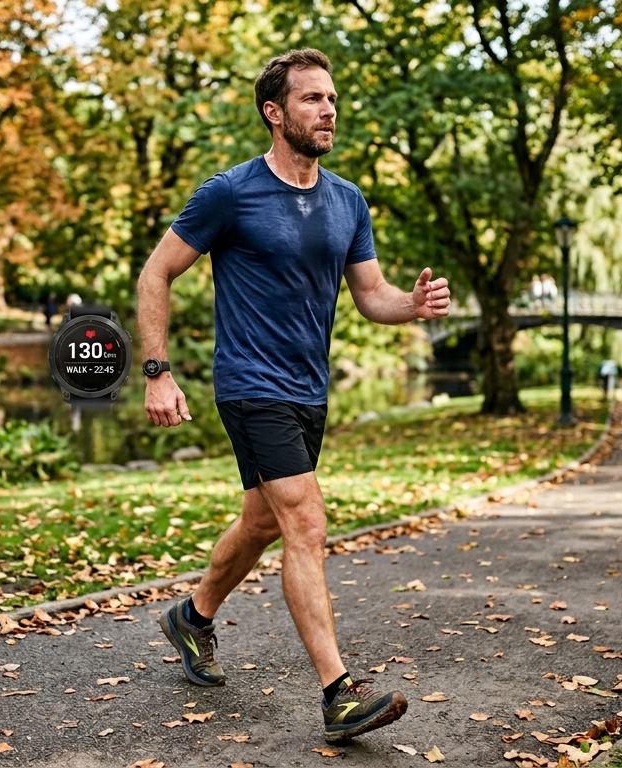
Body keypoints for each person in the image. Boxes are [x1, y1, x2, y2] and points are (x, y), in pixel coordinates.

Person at [136, 48, 449, 744]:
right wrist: (158, 370)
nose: (329, 109)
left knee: (263, 522)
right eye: (311, 99)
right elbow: (156, 273)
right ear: (274, 113)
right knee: (305, 521)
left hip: (310, 391)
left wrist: (416, 304)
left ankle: (192, 616)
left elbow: (372, 295)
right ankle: (340, 695)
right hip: (250, 384)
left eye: (331, 97)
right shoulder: (230, 193)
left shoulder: (347, 200)